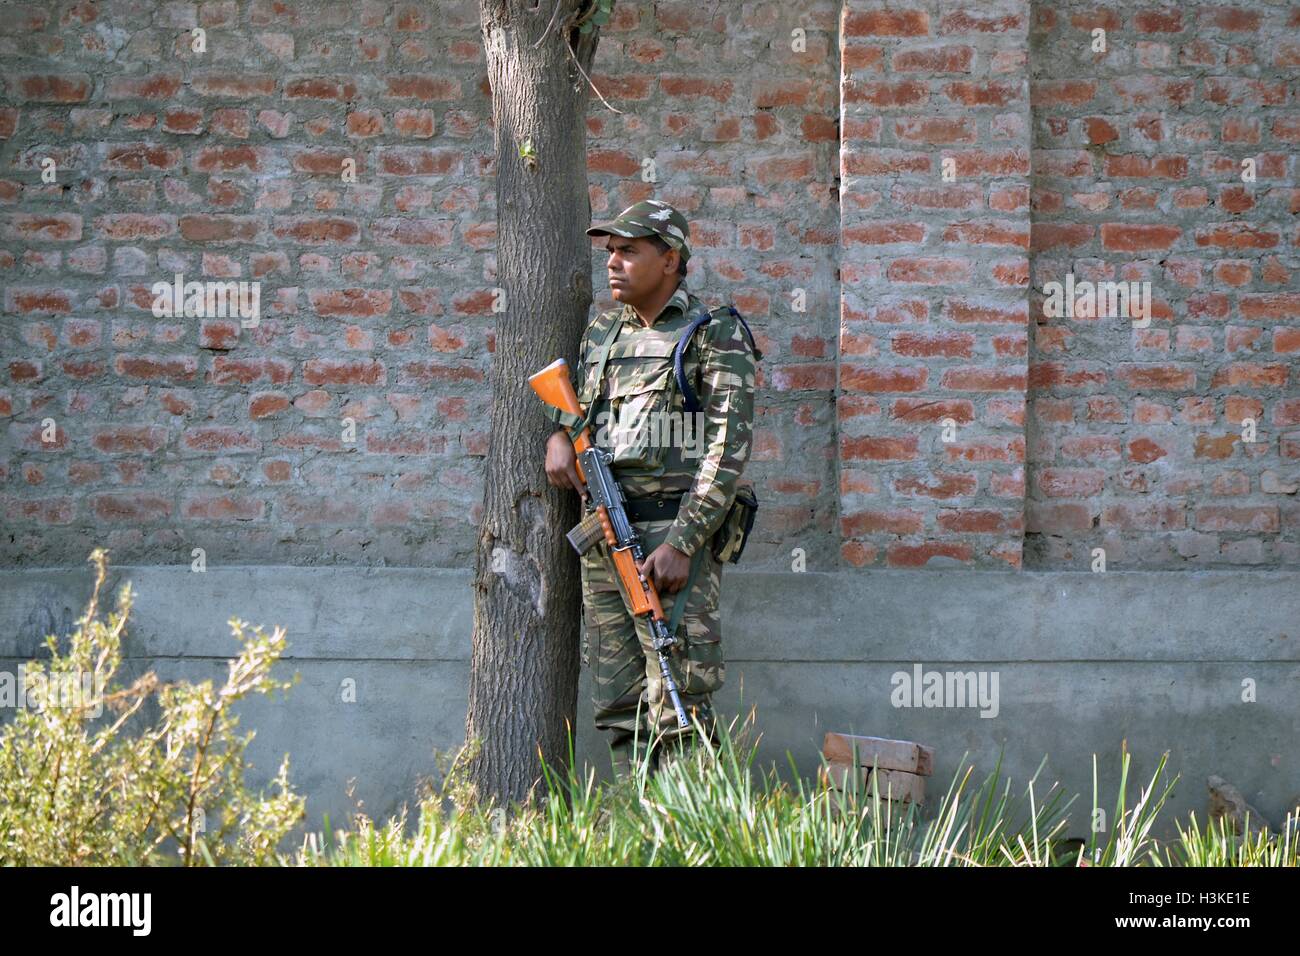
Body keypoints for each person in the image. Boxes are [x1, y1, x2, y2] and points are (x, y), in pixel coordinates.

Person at [542, 199, 757, 779]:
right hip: (604, 534)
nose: (613, 262)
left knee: (678, 696)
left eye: (628, 251)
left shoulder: (714, 335)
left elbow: (726, 449)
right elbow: (581, 412)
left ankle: (692, 828)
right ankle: (632, 829)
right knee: (617, 701)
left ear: (670, 260)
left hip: (669, 537)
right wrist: (561, 437)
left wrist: (685, 543)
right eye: (609, 251)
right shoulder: (601, 331)